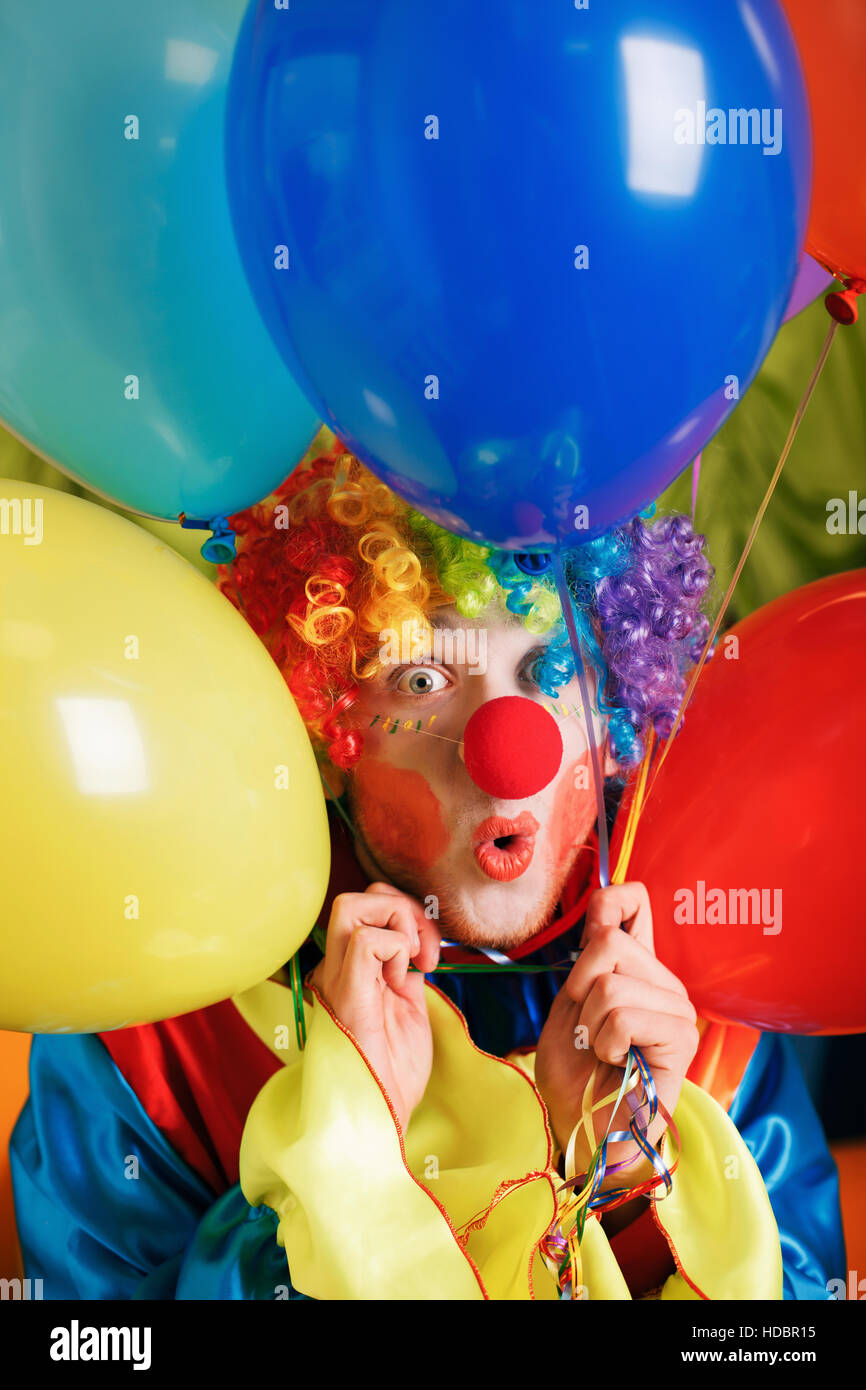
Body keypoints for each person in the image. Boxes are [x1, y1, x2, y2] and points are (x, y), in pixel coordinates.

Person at [10, 442, 844, 1300]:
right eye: (421, 676)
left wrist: (622, 1187)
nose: (504, 753)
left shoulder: (696, 1008)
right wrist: (341, 1161)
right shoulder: (152, 1020)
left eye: (548, 669)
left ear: (615, 717)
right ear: (322, 715)